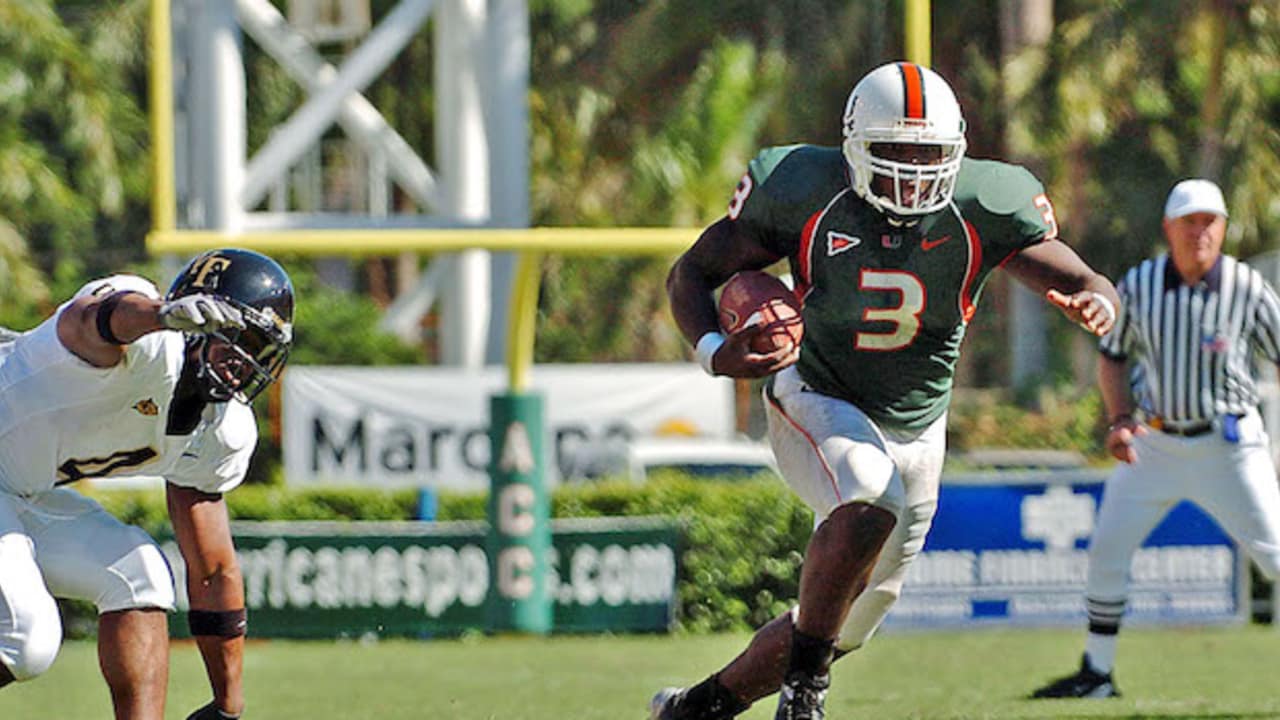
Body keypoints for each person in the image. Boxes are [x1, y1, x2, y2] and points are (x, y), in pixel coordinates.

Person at [653, 60, 1120, 720]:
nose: (912, 168)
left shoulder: (985, 201)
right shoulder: (802, 188)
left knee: (843, 625)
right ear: (853, 147)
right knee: (869, 497)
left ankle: (699, 708)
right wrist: (712, 351)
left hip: (920, 424)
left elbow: (1075, 274)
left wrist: (1094, 297)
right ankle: (803, 701)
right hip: (816, 393)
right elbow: (692, 274)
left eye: (928, 152)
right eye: (893, 150)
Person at [0, 248, 294, 720]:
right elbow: (94, 320)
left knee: (141, 576)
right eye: (236, 339)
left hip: (16, 488)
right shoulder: (147, 344)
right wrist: (161, 317)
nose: (244, 362)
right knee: (26, 639)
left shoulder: (221, 428)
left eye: (257, 346)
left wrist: (227, 704)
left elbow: (212, 568)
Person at [1030, 178, 1280, 699]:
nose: (1200, 233)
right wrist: (1119, 417)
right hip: (1155, 441)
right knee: (1108, 551)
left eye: (1209, 221)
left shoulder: (1246, 286)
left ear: (1224, 228)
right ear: (1168, 228)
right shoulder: (1140, 284)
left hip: (1229, 445)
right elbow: (1113, 355)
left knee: (1275, 554)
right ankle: (1097, 675)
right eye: (1189, 222)